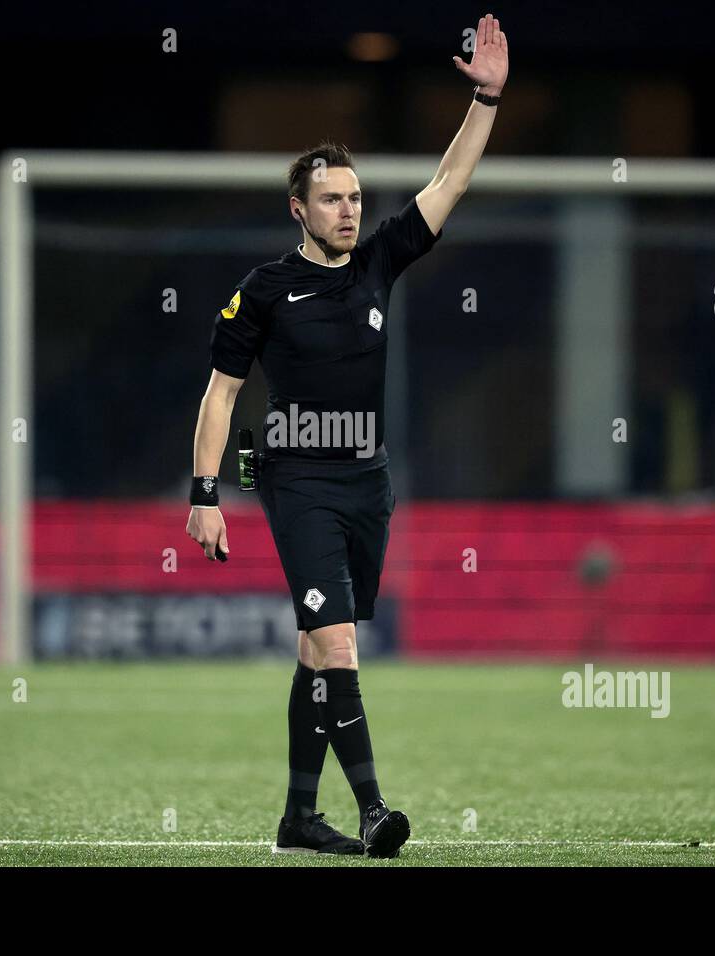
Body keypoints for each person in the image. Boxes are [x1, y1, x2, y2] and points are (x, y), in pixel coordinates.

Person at [186, 14, 509, 858]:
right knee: (340, 645)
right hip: (294, 482)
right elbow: (221, 395)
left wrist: (486, 98)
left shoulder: (378, 263)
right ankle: (373, 811)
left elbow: (451, 182)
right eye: (331, 198)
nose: (347, 209)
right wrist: (205, 493)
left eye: (355, 198)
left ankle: (297, 816)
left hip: (370, 484)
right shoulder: (262, 289)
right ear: (299, 208)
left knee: (314, 652)